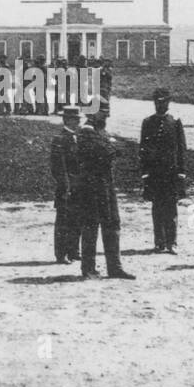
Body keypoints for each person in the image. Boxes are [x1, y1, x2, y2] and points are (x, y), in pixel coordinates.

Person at [71, 99, 135, 279]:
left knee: (112, 224)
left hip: (106, 185)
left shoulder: (100, 132)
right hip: (91, 186)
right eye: (103, 111)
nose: (107, 115)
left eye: (107, 111)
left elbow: (116, 149)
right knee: (91, 226)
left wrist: (110, 147)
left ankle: (115, 267)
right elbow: (104, 152)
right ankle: (88, 268)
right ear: (91, 113)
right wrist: (111, 146)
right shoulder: (85, 132)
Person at [139, 87, 187, 254]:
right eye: (158, 103)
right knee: (157, 207)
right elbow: (143, 150)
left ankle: (171, 242)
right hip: (155, 174)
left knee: (171, 208)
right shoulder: (147, 123)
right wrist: (145, 173)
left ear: (168, 103)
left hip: (171, 173)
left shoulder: (175, 122)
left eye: (164, 102)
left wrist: (181, 172)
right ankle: (159, 242)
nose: (161, 106)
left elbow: (181, 149)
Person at [50, 106, 83, 264]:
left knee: (77, 220)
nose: (78, 122)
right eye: (75, 119)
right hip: (66, 187)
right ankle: (61, 253)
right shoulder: (60, 139)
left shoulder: (78, 138)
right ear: (66, 120)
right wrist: (66, 186)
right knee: (63, 222)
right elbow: (58, 167)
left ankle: (74, 250)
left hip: (78, 186)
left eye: (78, 119)